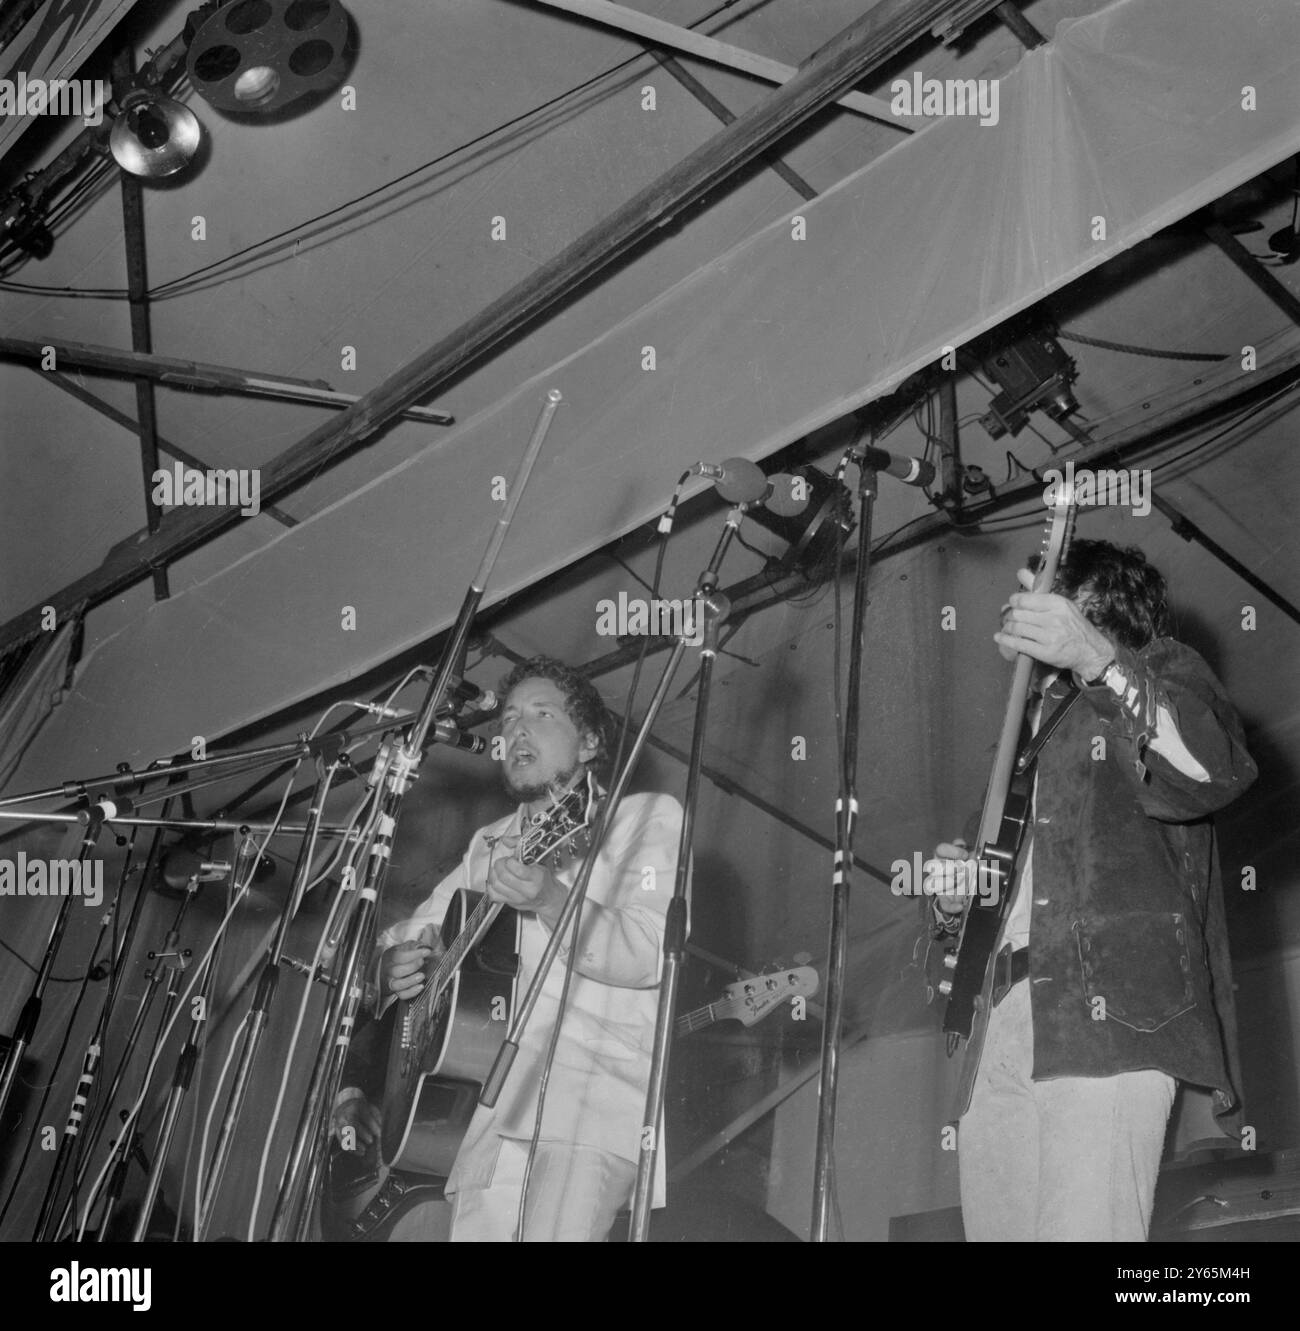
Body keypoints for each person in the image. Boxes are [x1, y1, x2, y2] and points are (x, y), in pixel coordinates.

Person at [924, 538, 1256, 1241]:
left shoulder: (1165, 672)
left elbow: (1213, 770)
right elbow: (969, 926)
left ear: (1101, 610)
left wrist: (1097, 659)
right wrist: (954, 901)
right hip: (1000, 1027)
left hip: (1105, 1017)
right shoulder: (1019, 741)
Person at [334, 655, 682, 1241]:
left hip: (586, 1107)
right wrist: (387, 965)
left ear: (591, 742)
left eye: (541, 715)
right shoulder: (488, 844)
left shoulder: (642, 818)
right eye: (511, 718)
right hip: (486, 1121)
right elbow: (403, 937)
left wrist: (550, 898)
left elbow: (649, 953)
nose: (516, 729)